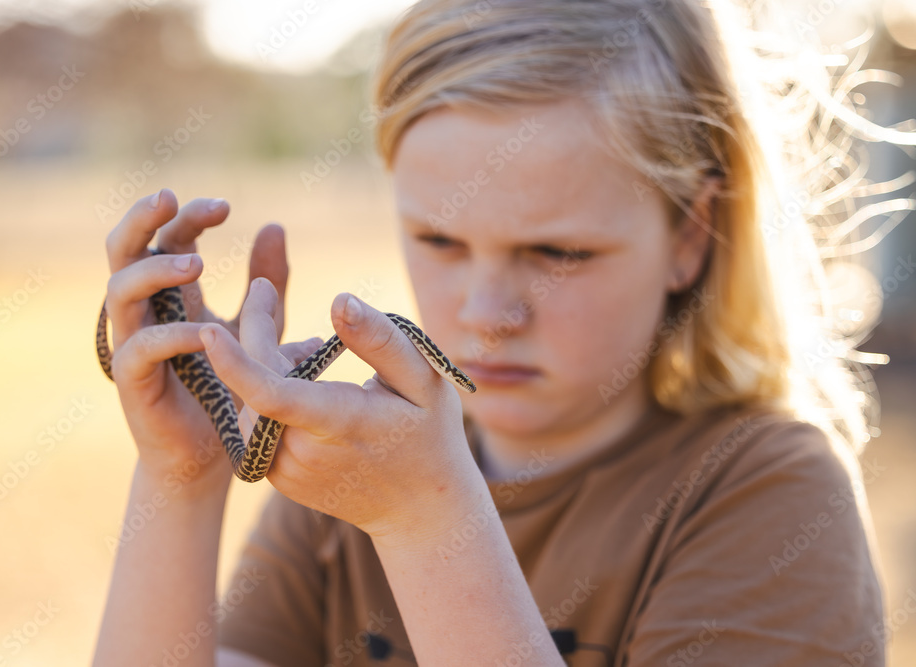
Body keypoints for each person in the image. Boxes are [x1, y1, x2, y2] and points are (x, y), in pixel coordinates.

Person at [93, 0, 901, 665]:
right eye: (440, 242)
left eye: (558, 252)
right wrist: (184, 475)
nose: (486, 312)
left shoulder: (768, 495)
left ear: (691, 233)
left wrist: (427, 522)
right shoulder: (344, 489)